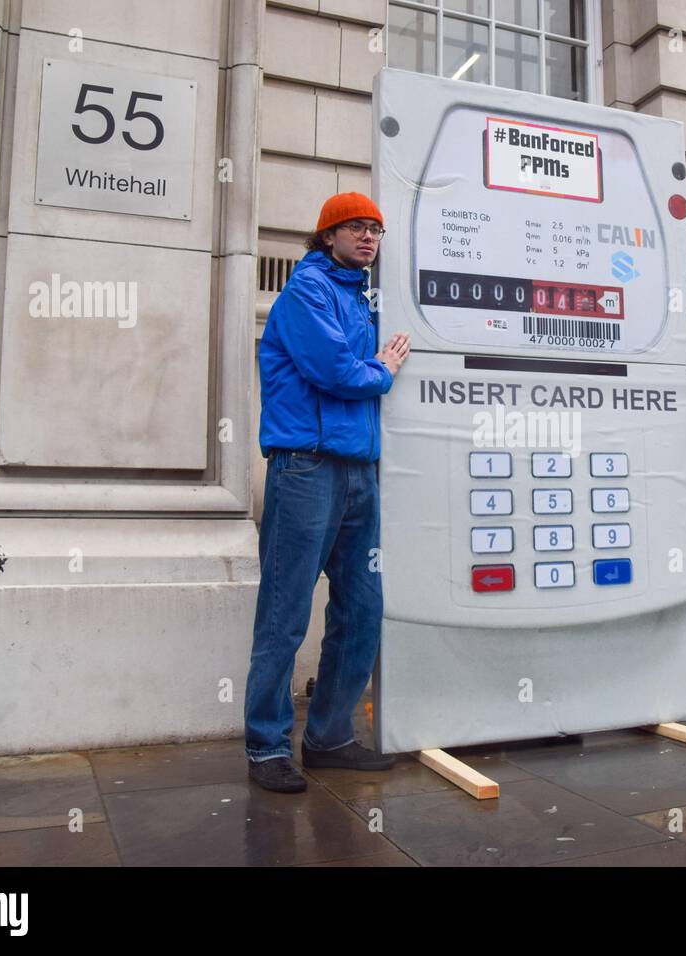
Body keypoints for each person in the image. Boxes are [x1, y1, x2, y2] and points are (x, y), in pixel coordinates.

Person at [244, 192, 411, 792]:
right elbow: (337, 371)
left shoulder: (365, 295)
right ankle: (266, 747)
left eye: (376, 230)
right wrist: (384, 371)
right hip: (305, 471)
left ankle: (330, 737)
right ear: (327, 236)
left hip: (359, 473)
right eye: (356, 228)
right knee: (285, 614)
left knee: (362, 608)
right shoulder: (305, 292)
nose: (369, 238)